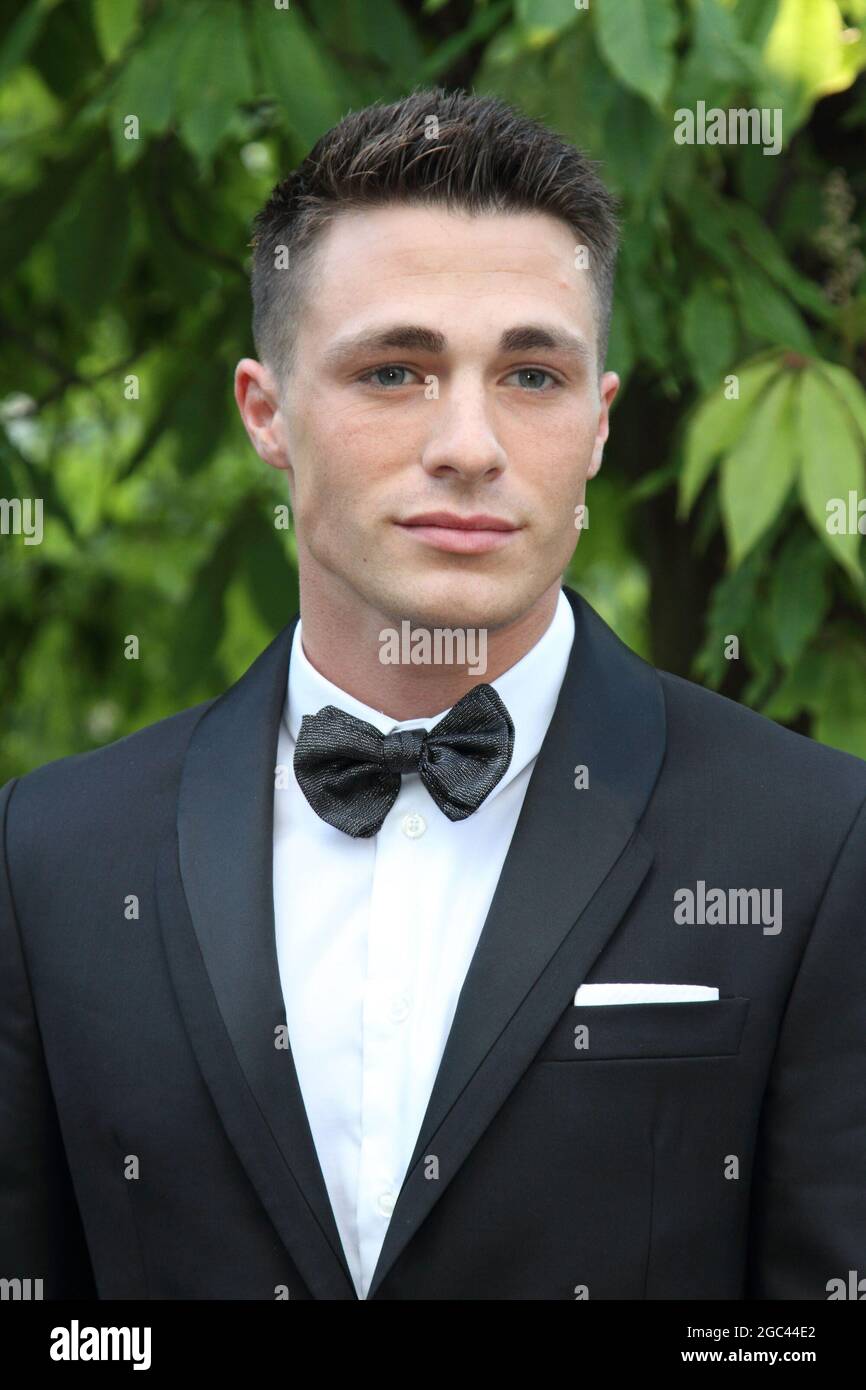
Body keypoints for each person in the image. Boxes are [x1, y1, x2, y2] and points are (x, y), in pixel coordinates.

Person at [2, 87, 865, 1303]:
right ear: (267, 410)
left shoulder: (819, 843)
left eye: (529, 374)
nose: (468, 441)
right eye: (396, 370)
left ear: (598, 423)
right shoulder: (48, 856)